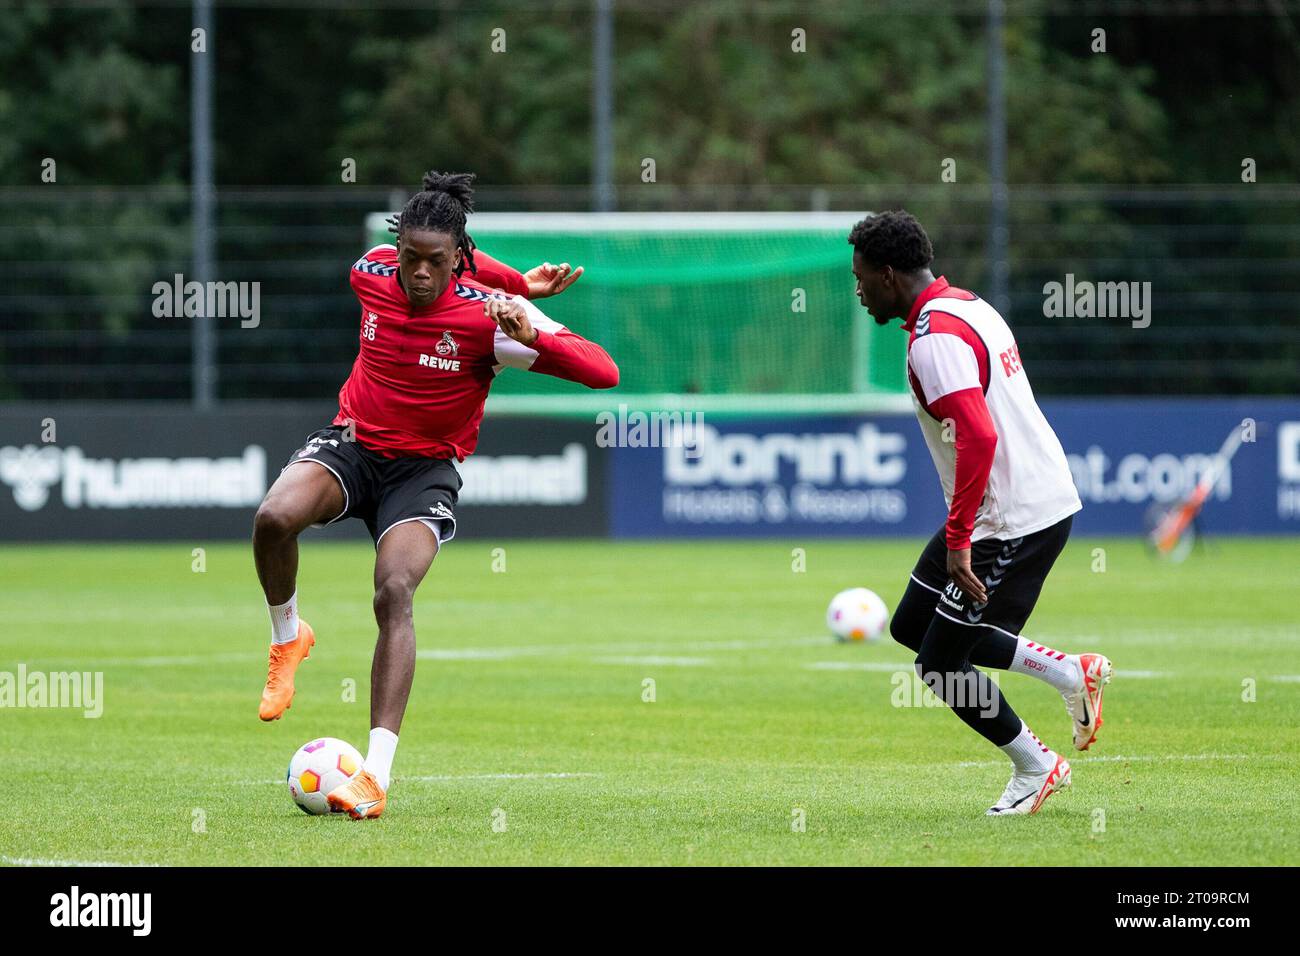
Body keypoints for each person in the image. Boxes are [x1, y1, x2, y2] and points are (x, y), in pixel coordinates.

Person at [252, 170, 618, 819]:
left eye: (436, 262)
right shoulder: (370, 271)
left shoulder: (491, 321)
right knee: (274, 517)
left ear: (459, 258)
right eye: (410, 259)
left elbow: (604, 372)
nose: (418, 274)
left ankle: (374, 776)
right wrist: (516, 278)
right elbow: (423, 255)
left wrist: (528, 320)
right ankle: (288, 637)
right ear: (396, 251)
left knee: (394, 590)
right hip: (354, 444)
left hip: (423, 473)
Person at [848, 210, 1112, 816]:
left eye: (862, 279)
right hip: (997, 506)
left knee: (941, 663)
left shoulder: (935, 338)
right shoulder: (967, 304)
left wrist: (962, 538)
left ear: (889, 275)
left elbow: (980, 436)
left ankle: (1037, 767)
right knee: (911, 626)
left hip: (1010, 517)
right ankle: (1072, 674)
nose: (859, 291)